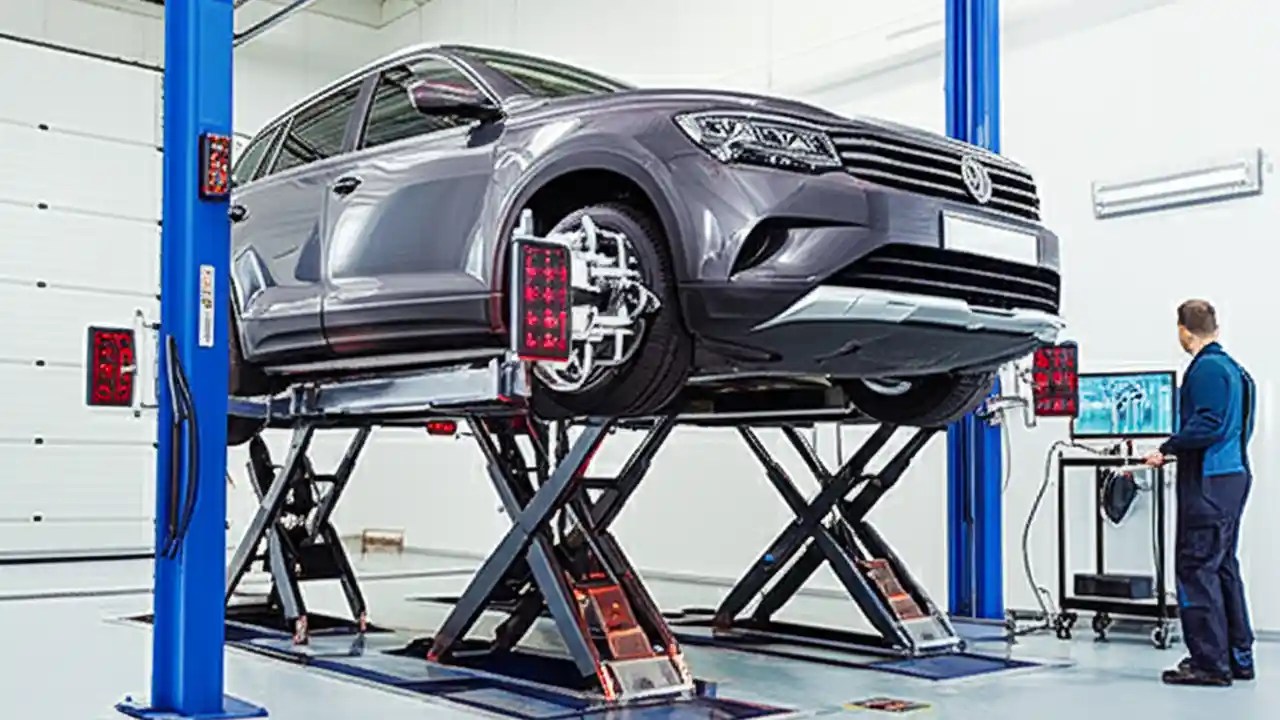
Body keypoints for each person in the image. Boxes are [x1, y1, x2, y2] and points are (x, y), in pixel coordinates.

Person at [1144, 299, 1255, 686]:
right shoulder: (1236, 370)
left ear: (1183, 330)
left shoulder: (1205, 368)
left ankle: (1209, 664)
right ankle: (1238, 658)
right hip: (1230, 478)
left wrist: (1168, 447)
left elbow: (1207, 424)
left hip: (1209, 483)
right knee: (1222, 567)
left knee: (1195, 568)